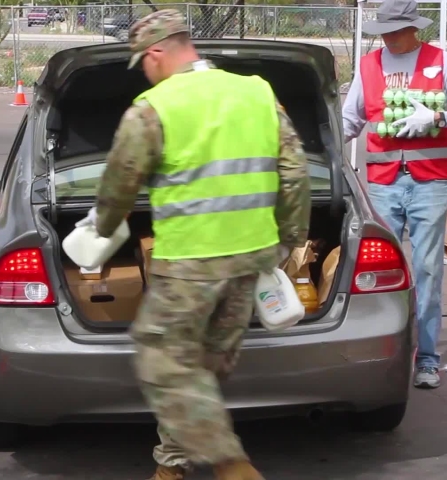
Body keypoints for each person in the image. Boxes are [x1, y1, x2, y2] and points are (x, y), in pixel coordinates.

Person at [89, 9, 311, 480]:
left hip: (189, 263)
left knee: (161, 360)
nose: (145, 73)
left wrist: (101, 231)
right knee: (200, 372)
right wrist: (288, 242)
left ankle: (233, 467)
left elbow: (118, 185)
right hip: (251, 259)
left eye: (143, 63)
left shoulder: (153, 107)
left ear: (156, 52)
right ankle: (172, 467)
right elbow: (295, 173)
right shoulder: (257, 92)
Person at [342, 0, 447, 389]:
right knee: (376, 274)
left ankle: (426, 358)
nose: (389, 38)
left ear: (415, 28)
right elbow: (350, 119)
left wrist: (440, 117)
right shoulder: (369, 66)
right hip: (383, 183)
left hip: (429, 183)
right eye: (384, 31)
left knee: (427, 270)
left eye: (396, 30)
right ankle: (381, 354)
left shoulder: (443, 63)